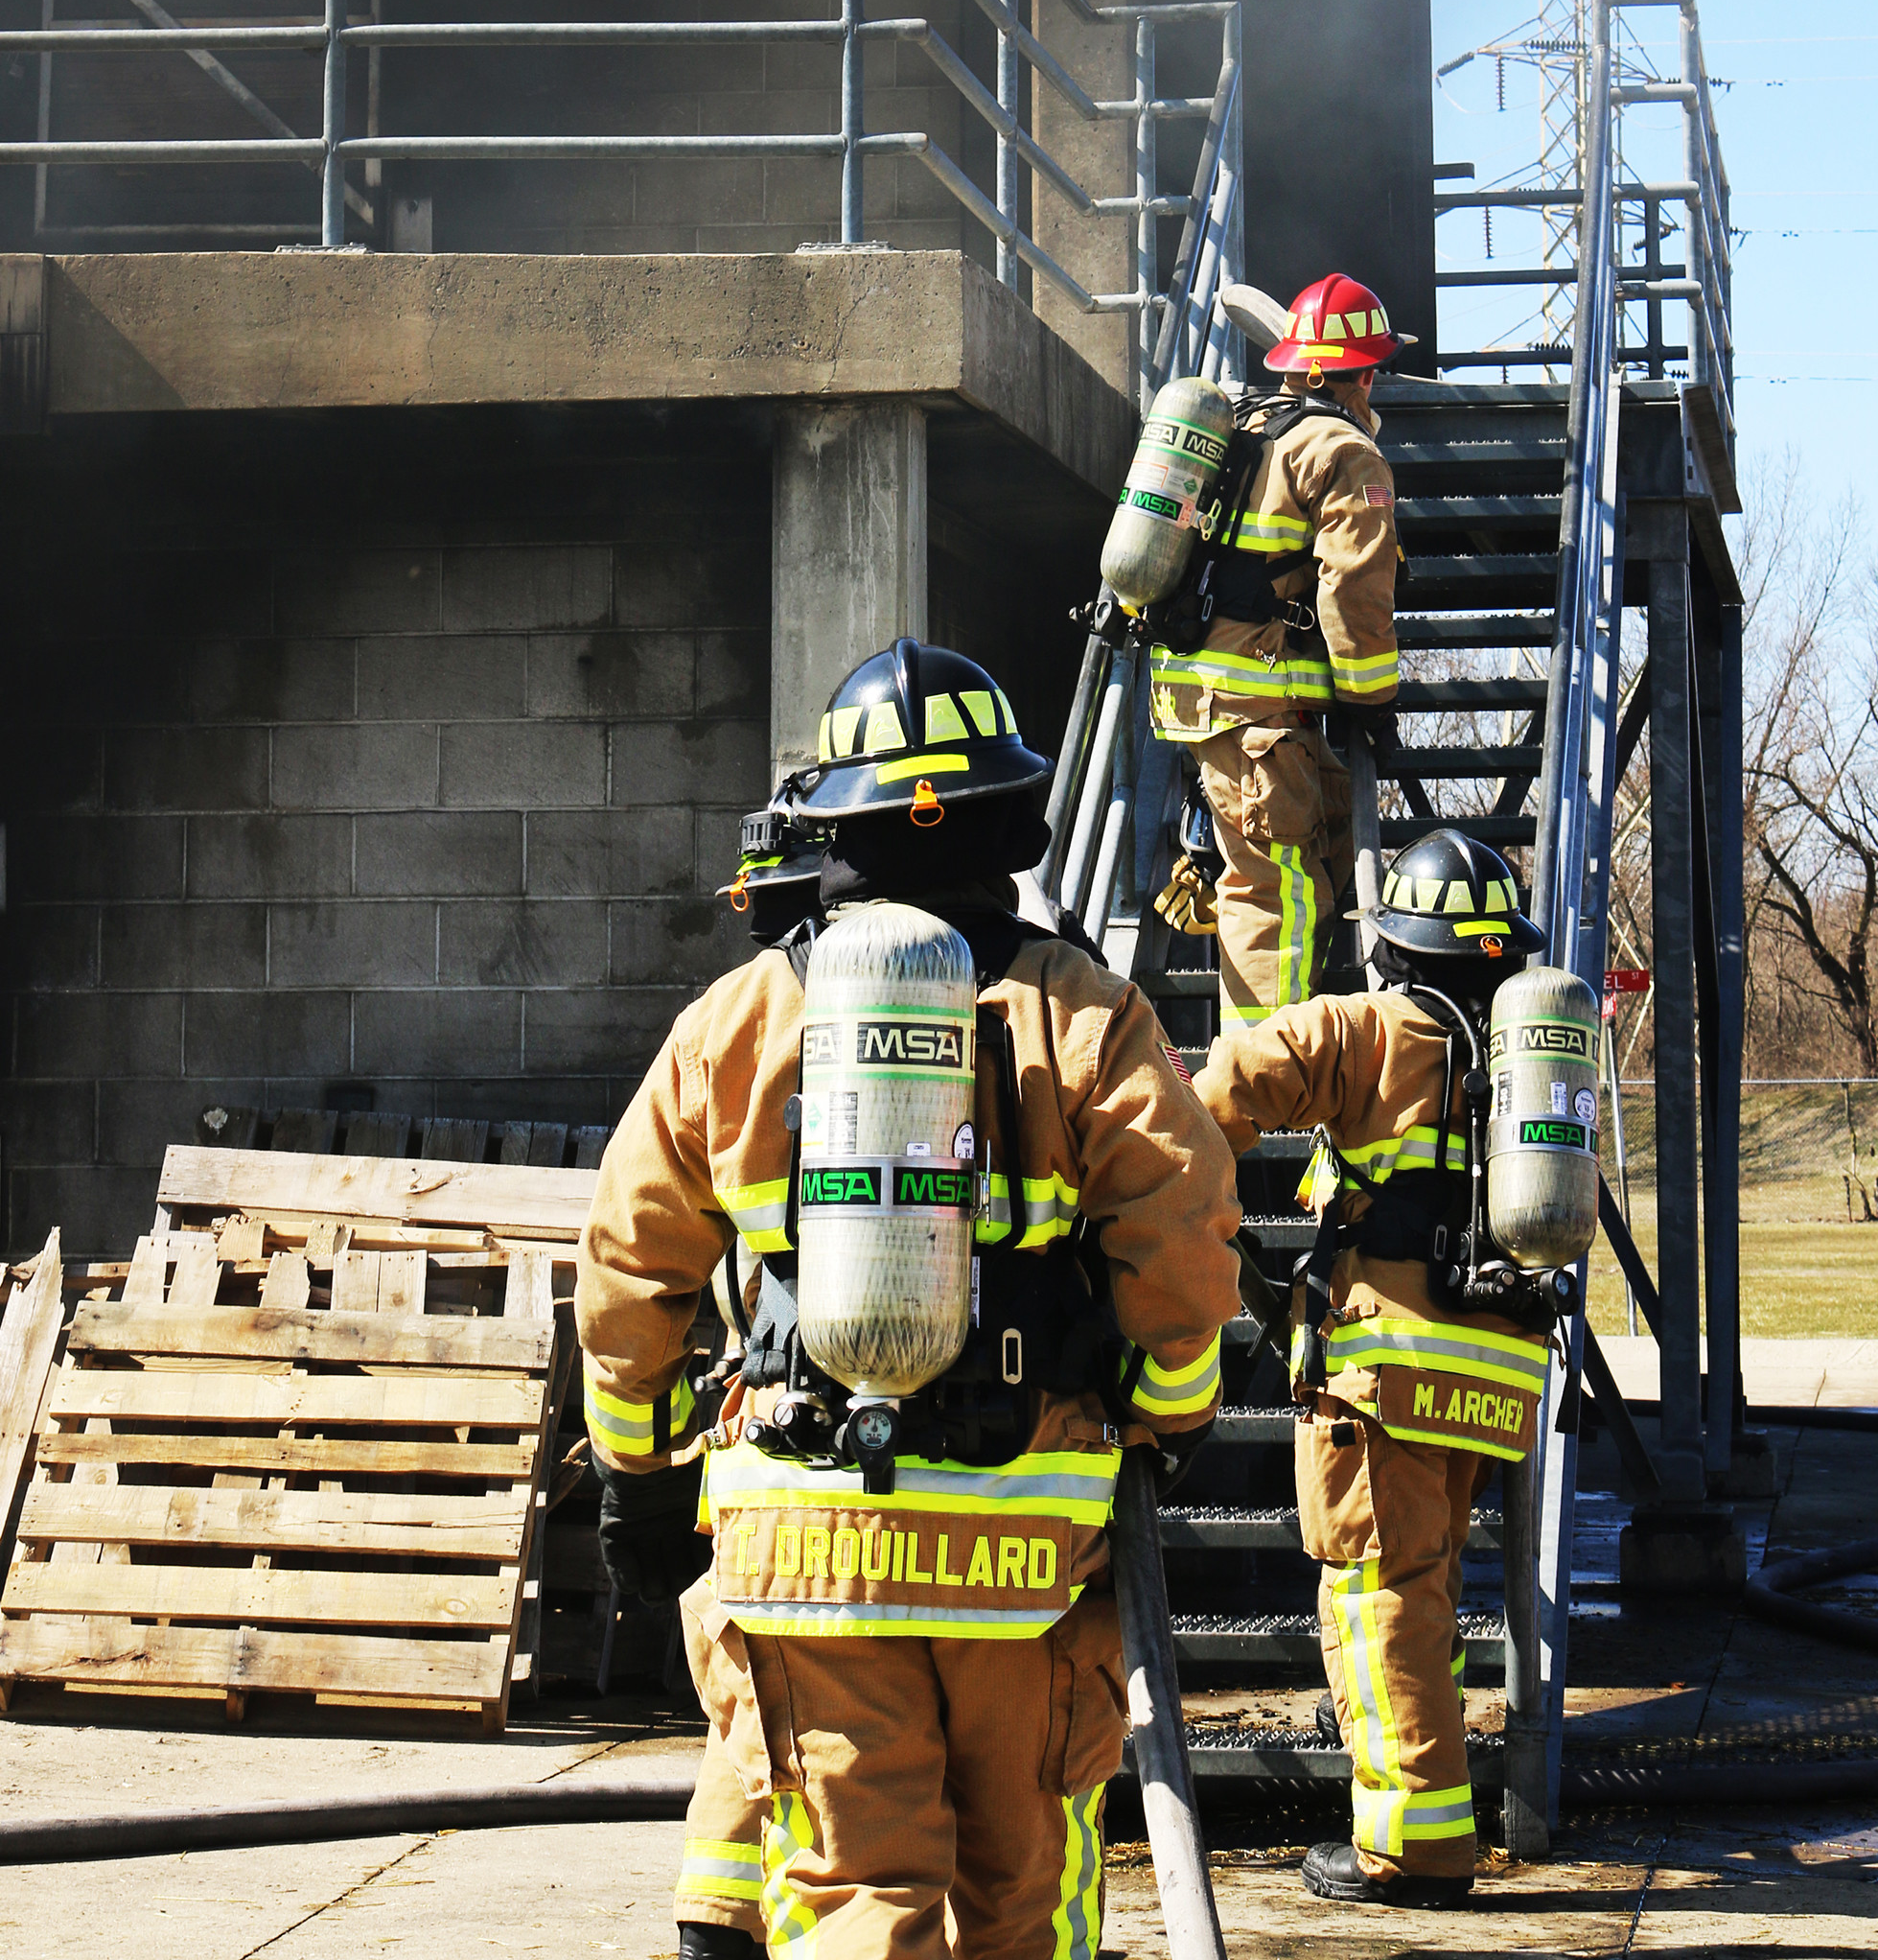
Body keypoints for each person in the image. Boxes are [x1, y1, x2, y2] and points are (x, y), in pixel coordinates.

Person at [576, 638, 1243, 1960]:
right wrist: (1170, 1412)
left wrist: (638, 1473)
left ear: (834, 824)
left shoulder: (739, 1017)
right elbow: (1184, 1237)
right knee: (1026, 1891)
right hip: (1021, 1554)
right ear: (1011, 813)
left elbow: (629, 1261)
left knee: (848, 1895)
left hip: (814, 1545)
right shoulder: (1088, 1016)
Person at [1195, 825, 1554, 1909]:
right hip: (1490, 1376)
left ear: (1393, 945)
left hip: (1383, 1373)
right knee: (1422, 1584)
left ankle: (1414, 1847)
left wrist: (1195, 1221)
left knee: (1379, 1594)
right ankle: (1396, 1752)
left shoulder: (1363, 1030)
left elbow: (1220, 1086)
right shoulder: (1511, 1055)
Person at [1149, 269, 1403, 1024]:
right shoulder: (1343, 451)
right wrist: (1372, 700)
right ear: (1355, 378)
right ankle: (1261, 1093)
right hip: (1254, 704)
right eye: (1375, 373)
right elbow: (1354, 590)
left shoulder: (1250, 427)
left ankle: (1301, 1052)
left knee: (1324, 835)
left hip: (1202, 689)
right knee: (1277, 890)